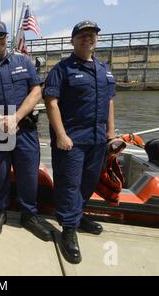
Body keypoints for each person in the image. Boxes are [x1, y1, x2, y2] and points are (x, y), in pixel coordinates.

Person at [0, 21, 52, 240]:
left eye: (0, 37)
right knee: (1, 175)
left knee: (28, 175)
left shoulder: (23, 62)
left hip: (24, 130)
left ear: (7, 39)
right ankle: (0, 212)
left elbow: (36, 90)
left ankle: (29, 215)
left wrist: (16, 117)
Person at [43, 20, 116, 264]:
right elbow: (51, 103)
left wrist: (111, 134)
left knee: (89, 182)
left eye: (91, 35)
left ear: (96, 39)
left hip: (97, 140)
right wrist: (61, 135)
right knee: (69, 184)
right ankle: (69, 230)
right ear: (73, 40)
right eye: (82, 35)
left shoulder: (104, 70)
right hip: (72, 140)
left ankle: (78, 214)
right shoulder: (62, 69)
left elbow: (110, 102)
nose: (87, 39)